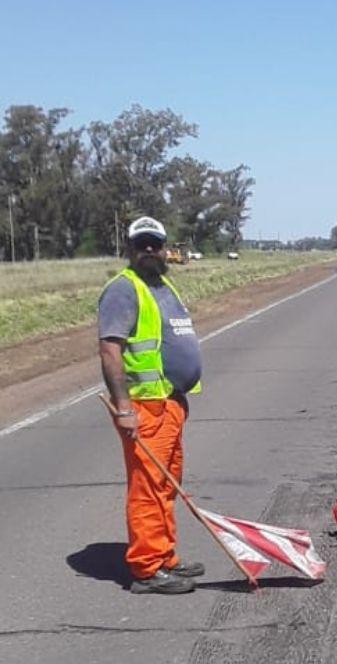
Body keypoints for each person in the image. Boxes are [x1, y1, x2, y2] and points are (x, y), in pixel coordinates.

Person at [98, 216, 205, 594]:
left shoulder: (163, 285)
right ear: (129, 249)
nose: (148, 250)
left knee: (166, 485)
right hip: (144, 407)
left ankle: (165, 556)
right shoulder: (123, 290)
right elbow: (110, 349)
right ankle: (146, 569)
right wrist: (123, 408)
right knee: (147, 486)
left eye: (154, 244)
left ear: (164, 248)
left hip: (171, 403)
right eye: (141, 244)